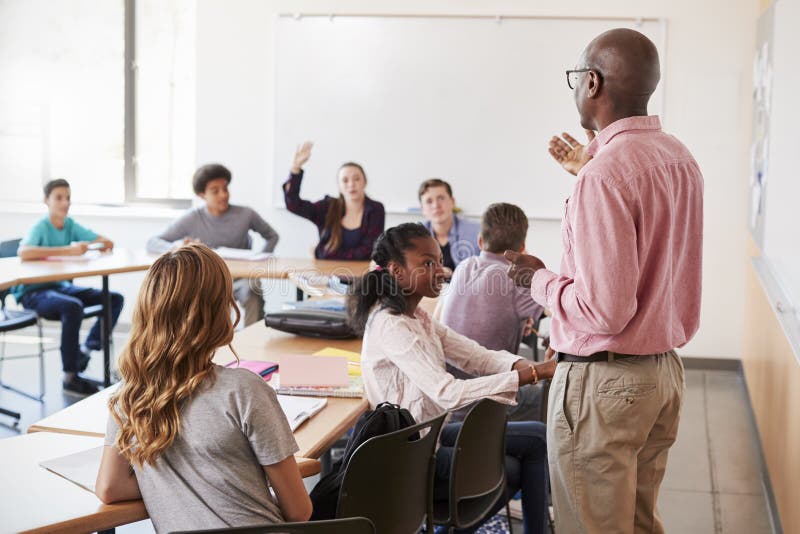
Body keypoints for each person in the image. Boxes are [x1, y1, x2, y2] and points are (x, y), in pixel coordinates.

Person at [506, 28, 702, 533]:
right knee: (637, 523)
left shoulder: (605, 175)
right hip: (662, 376)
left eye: (576, 77)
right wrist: (588, 171)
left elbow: (605, 310)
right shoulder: (679, 158)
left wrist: (539, 279)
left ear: (591, 83)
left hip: (606, 385)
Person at [347, 222, 555, 534]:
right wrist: (535, 373)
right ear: (396, 271)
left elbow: (477, 357)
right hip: (409, 456)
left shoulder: (419, 317)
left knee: (536, 438)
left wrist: (527, 366)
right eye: (427, 263)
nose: (441, 270)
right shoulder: (392, 326)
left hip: (432, 434)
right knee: (508, 470)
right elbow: (448, 393)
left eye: (439, 261)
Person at [95, 244, 311, 532]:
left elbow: (110, 487)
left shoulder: (130, 397)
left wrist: (169, 484)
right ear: (215, 311)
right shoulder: (244, 390)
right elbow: (298, 512)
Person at [12, 179, 124, 396]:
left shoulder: (70, 225)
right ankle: (70, 377)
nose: (65, 203)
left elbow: (107, 242)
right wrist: (68, 250)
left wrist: (87, 246)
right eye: (59, 198)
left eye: (68, 198)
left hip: (59, 287)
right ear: (46, 201)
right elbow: (23, 252)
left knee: (114, 299)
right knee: (73, 307)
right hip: (34, 292)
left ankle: (85, 350)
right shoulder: (41, 226)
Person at [440, 203, 545, 421]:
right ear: (523, 248)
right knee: (550, 396)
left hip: (449, 401)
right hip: (484, 406)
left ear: (480, 240)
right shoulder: (516, 277)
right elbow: (562, 310)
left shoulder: (464, 266)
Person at [147, 163, 279, 326]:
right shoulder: (192, 218)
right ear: (202, 194)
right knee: (196, 298)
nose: (223, 194)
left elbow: (272, 236)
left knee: (253, 293)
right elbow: (152, 242)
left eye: (225, 188)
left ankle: (252, 344)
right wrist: (179, 248)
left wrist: (260, 260)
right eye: (215, 191)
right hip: (208, 279)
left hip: (241, 279)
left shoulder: (246, 214)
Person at [283, 141, 385, 260]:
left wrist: (321, 253)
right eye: (345, 180)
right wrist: (295, 169)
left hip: (363, 276)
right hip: (329, 275)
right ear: (339, 186)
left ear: (365, 181)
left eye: (356, 179)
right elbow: (293, 205)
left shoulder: (376, 209)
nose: (351, 184)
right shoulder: (327, 207)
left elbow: (368, 251)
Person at [418, 178, 480, 271]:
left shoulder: (477, 232)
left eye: (441, 198)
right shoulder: (416, 236)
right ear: (422, 209)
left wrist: (453, 276)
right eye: (429, 201)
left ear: (452, 202)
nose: (436, 206)